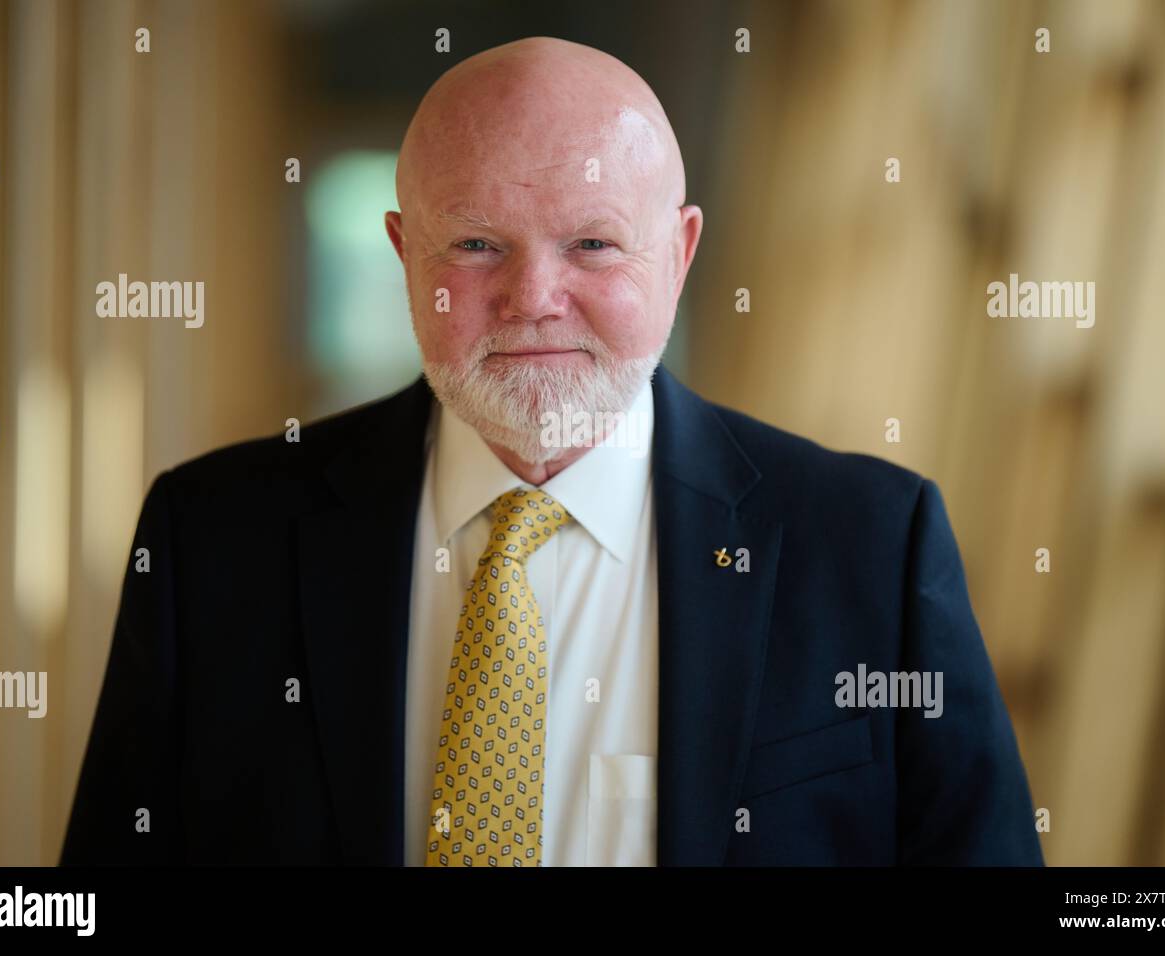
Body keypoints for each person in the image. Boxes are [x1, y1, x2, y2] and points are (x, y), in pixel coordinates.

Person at [61, 36, 1044, 866]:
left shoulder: (869, 546)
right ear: (406, 255)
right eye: (478, 244)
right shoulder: (212, 540)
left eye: (593, 246)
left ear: (680, 253)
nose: (533, 298)